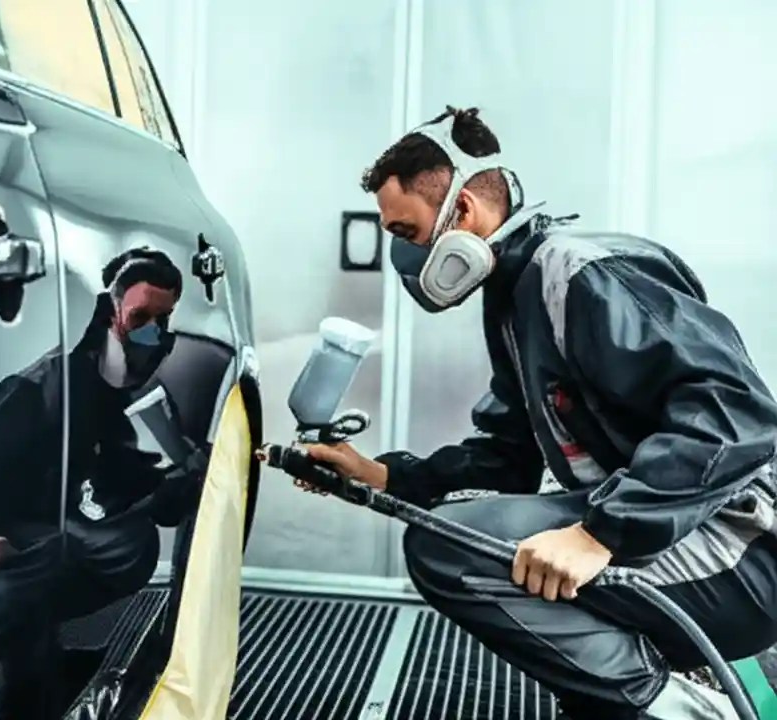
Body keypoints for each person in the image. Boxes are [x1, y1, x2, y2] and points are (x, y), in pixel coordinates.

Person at [302, 106, 777, 719]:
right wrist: (386, 477)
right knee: (455, 535)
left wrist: (600, 535)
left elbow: (735, 413)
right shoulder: (515, 293)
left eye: (407, 233)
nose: (405, 258)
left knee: (450, 550)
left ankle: (675, 709)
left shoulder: (581, 276)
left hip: (738, 556)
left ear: (464, 213)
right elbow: (509, 454)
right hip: (674, 535)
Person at [0, 247, 201, 719]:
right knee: (60, 552)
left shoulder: (104, 391)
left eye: (163, 321)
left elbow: (102, 483)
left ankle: (16, 643)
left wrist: (171, 484)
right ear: (108, 313)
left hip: (41, 542)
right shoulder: (33, 393)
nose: (154, 336)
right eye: (142, 319)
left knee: (130, 542)